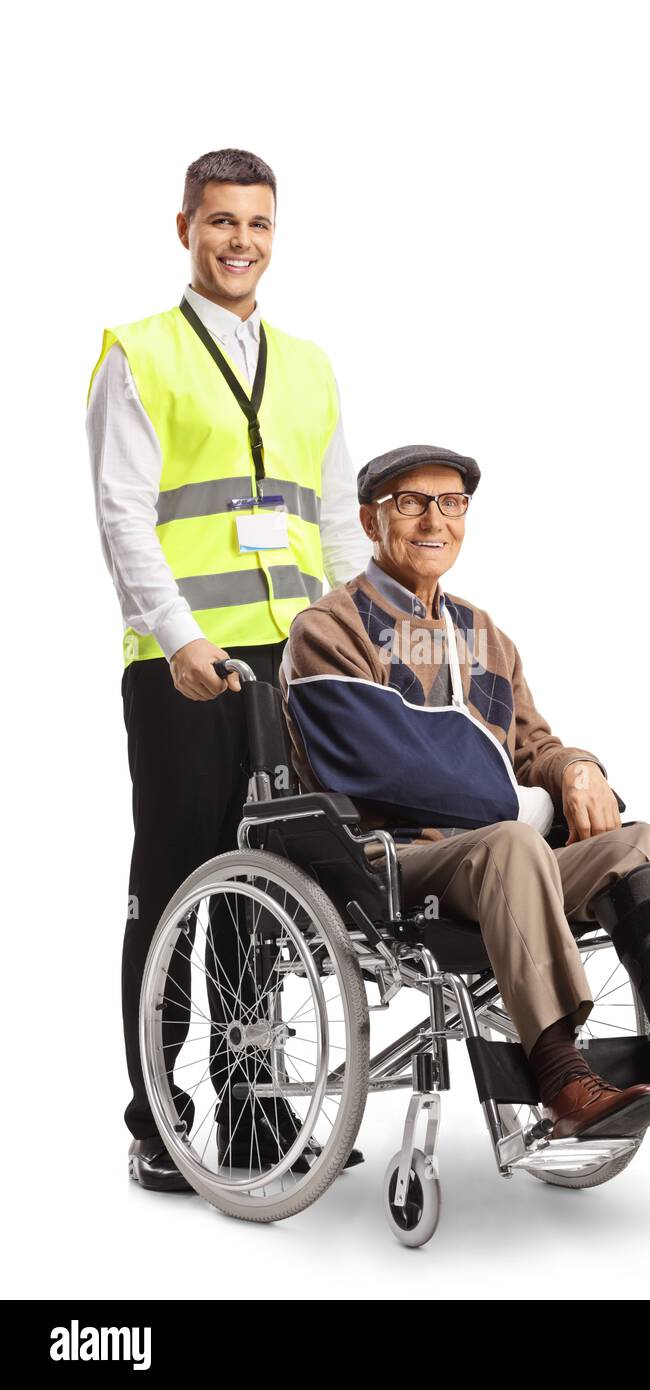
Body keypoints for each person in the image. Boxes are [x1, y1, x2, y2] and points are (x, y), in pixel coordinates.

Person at [280, 444, 650, 1141]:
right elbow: (377, 763)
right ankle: (560, 1073)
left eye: (452, 503)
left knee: (646, 844)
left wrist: (574, 770)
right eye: (411, 503)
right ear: (368, 520)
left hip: (506, 861)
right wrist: (512, 803)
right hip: (392, 860)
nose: (434, 520)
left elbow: (530, 745)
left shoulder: (485, 637)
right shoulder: (328, 628)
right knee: (512, 840)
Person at [86, 148, 370, 1191]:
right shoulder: (139, 353)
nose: (238, 241)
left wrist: (363, 639)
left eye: (255, 223)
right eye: (219, 222)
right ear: (184, 230)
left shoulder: (308, 365)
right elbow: (124, 511)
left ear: (272, 233)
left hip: (294, 666)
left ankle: (258, 1126)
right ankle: (157, 1123)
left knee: (272, 893)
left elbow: (337, 523)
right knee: (174, 888)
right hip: (183, 664)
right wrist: (176, 636)